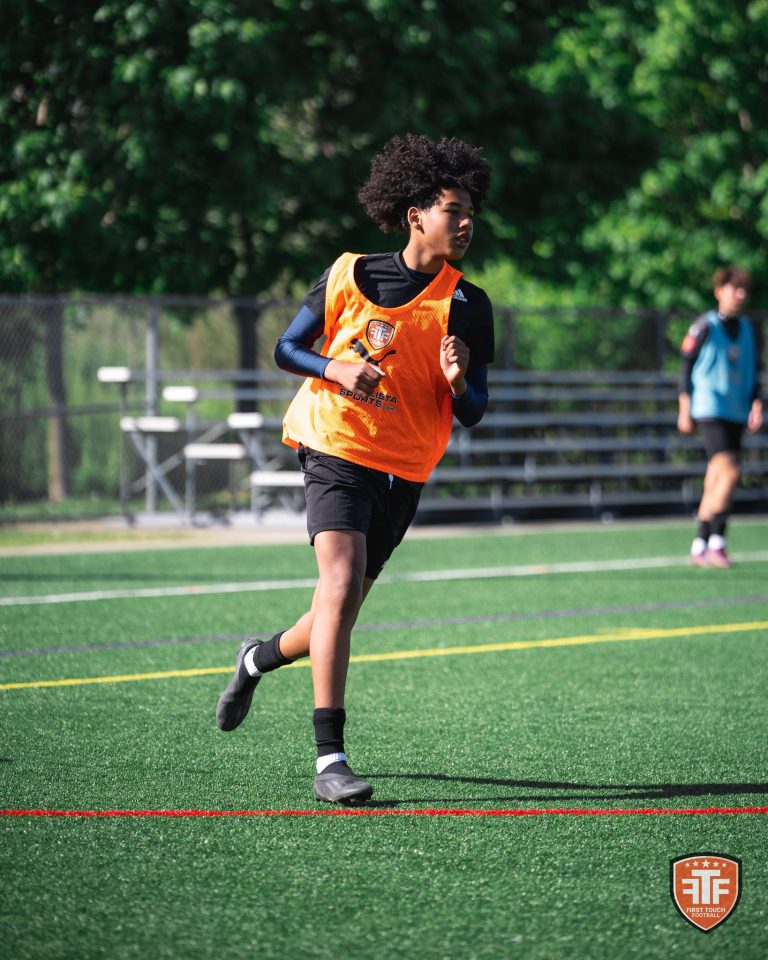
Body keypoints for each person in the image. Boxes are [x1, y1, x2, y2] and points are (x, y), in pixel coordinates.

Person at [215, 134, 494, 803]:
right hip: (334, 444)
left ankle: (257, 657)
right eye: (452, 209)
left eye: (471, 214)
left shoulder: (468, 304)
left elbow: (476, 410)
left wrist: (458, 383)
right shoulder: (348, 274)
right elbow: (287, 347)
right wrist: (334, 367)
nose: (464, 223)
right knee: (337, 586)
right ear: (414, 215)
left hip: (403, 470)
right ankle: (329, 759)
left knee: (336, 611)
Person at [677, 265, 764, 568]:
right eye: (733, 288)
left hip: (736, 409)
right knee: (730, 472)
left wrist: (756, 403)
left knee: (716, 477)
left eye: (743, 289)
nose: (740, 294)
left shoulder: (749, 330)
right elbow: (686, 365)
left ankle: (701, 544)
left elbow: (754, 371)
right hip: (709, 408)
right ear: (719, 291)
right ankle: (716, 541)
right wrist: (684, 407)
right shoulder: (705, 325)